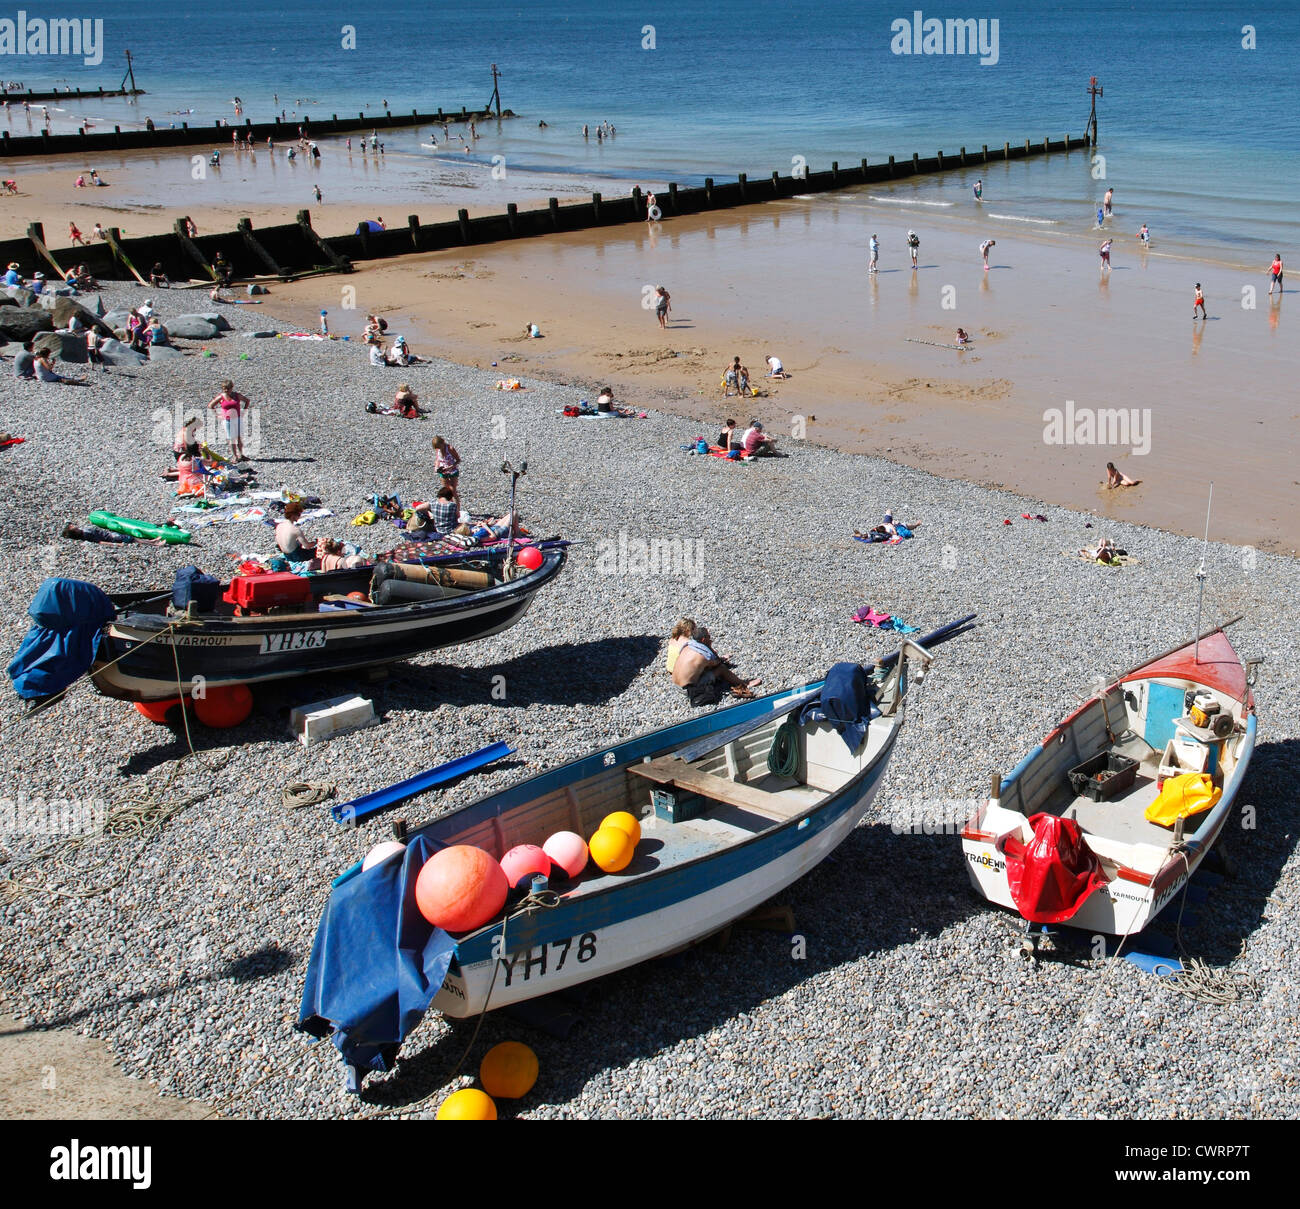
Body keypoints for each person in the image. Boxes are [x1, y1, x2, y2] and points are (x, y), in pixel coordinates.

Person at [668, 619, 761, 705]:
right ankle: (745, 683)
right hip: (688, 689)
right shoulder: (704, 655)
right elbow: (717, 662)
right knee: (721, 669)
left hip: (675, 685)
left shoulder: (687, 645)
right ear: (704, 640)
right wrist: (710, 646)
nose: (711, 639)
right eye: (709, 637)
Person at [209, 379, 251, 460]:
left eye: (228, 388)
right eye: (224, 388)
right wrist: (217, 415)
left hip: (238, 418)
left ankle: (241, 455)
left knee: (239, 437)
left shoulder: (237, 395)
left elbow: (247, 401)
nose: (226, 390)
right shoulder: (221, 397)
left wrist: (244, 411)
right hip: (227, 420)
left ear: (232, 388)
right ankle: (235, 456)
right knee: (232, 438)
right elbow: (211, 405)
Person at [432, 435, 461, 505]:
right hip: (443, 472)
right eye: (437, 447)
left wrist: (450, 467)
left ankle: (458, 510)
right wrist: (436, 468)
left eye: (439, 447)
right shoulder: (438, 450)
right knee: (447, 491)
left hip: (452, 471)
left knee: (453, 490)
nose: (439, 449)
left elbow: (458, 460)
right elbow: (437, 460)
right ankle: (450, 507)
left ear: (443, 443)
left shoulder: (450, 449)